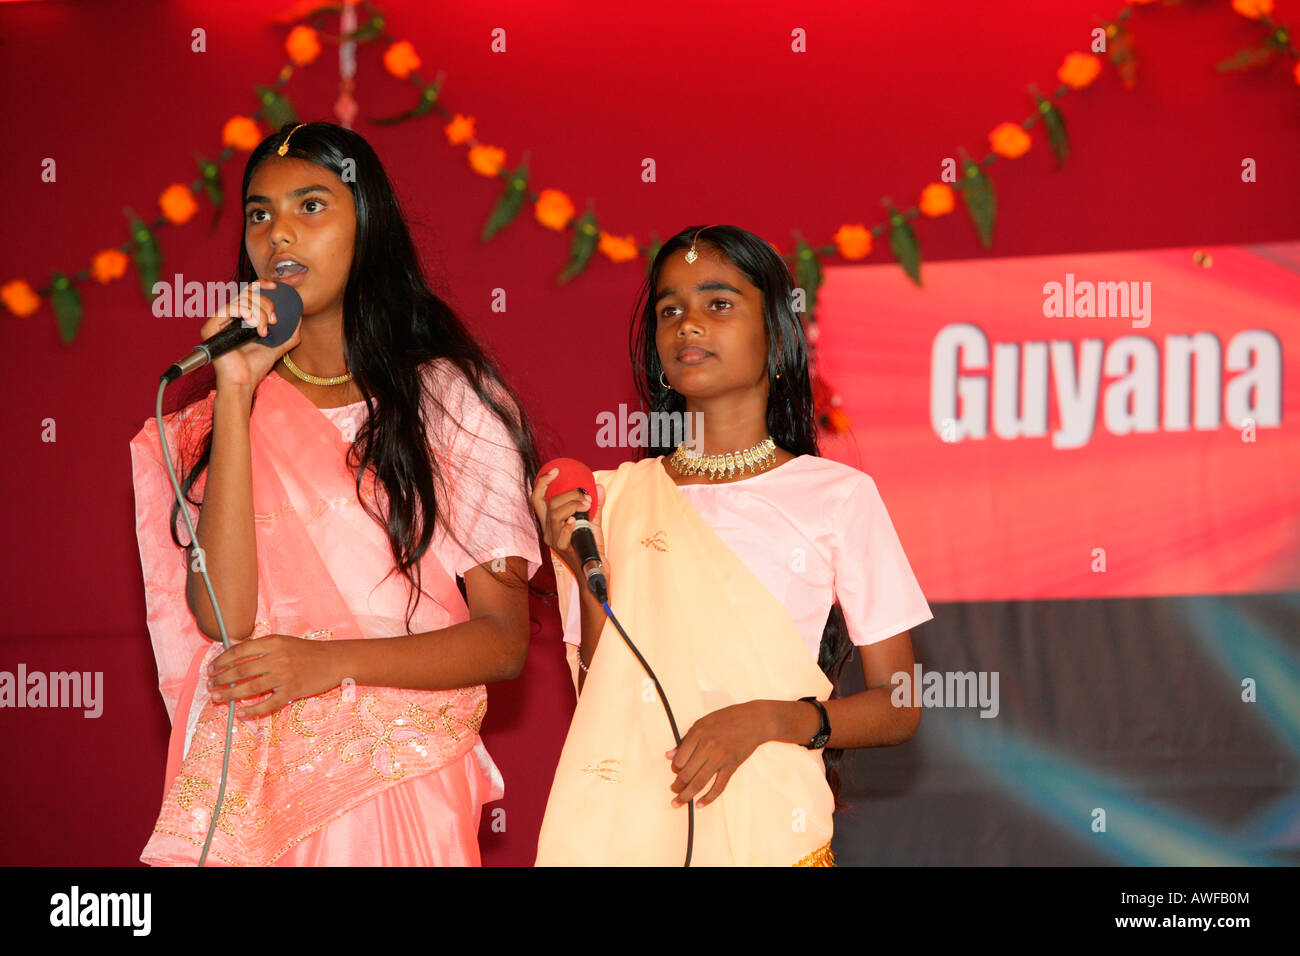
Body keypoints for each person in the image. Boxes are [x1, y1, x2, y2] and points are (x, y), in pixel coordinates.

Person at [130, 122, 542, 866]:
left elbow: (504, 641)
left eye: (311, 206)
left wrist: (329, 664)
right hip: (258, 784)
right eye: (260, 213)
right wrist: (236, 390)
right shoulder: (206, 423)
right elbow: (223, 615)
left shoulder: (449, 402)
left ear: (368, 229)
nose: (279, 232)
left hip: (402, 776)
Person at [531, 224, 933, 866]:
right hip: (632, 831)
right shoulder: (613, 499)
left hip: (772, 828)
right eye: (671, 310)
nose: (689, 324)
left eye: (718, 303)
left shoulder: (838, 495)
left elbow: (901, 704)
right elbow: (601, 694)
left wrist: (770, 719)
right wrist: (582, 566)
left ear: (777, 339)